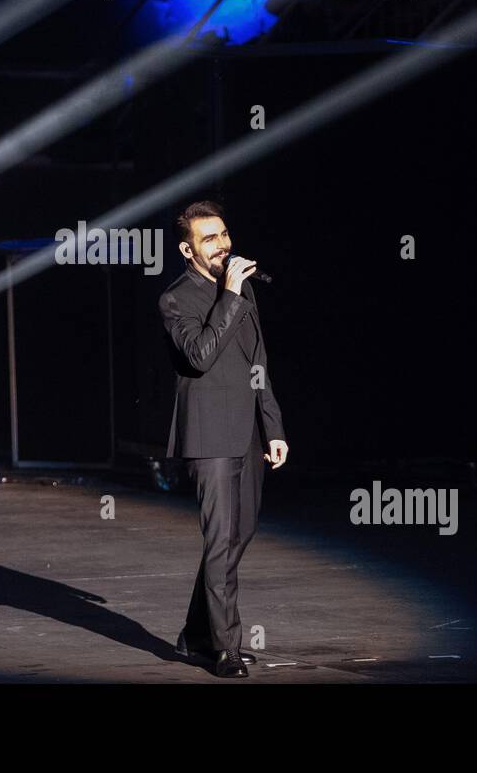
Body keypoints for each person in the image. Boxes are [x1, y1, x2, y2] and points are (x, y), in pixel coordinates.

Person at [157, 200, 288, 678]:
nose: (222, 245)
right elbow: (199, 356)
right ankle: (224, 647)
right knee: (219, 541)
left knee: (239, 536)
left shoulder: (244, 292)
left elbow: (258, 364)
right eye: (209, 238)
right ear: (187, 250)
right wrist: (230, 295)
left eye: (224, 235)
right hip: (209, 432)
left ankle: (197, 634)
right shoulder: (176, 299)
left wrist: (272, 427)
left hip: (247, 432)